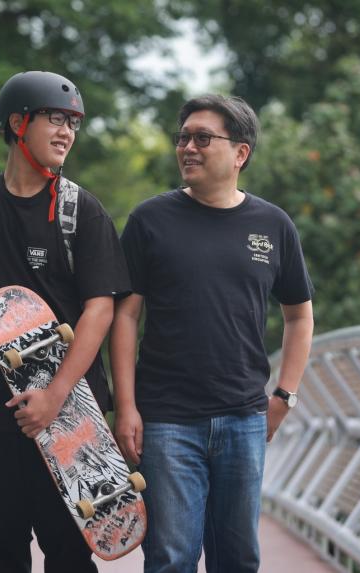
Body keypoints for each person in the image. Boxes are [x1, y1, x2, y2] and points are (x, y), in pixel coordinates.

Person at [0, 71, 130, 573]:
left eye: (73, 124)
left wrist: (55, 394)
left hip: (70, 411)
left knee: (67, 551)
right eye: (55, 119)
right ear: (19, 123)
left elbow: (100, 310)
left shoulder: (80, 211)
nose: (67, 132)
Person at [109, 94, 314, 573]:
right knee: (171, 558)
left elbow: (300, 316)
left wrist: (284, 396)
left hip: (244, 417)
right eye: (183, 138)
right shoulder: (149, 220)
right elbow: (125, 316)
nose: (188, 147)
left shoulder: (272, 225)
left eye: (203, 138)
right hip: (166, 420)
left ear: (240, 153)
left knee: (238, 559)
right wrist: (127, 406)